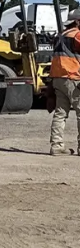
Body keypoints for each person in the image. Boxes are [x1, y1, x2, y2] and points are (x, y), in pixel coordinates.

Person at [49, 11, 80, 155]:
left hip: (58, 78)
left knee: (60, 113)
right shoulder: (77, 35)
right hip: (73, 78)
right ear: (78, 22)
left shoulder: (59, 35)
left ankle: (56, 146)